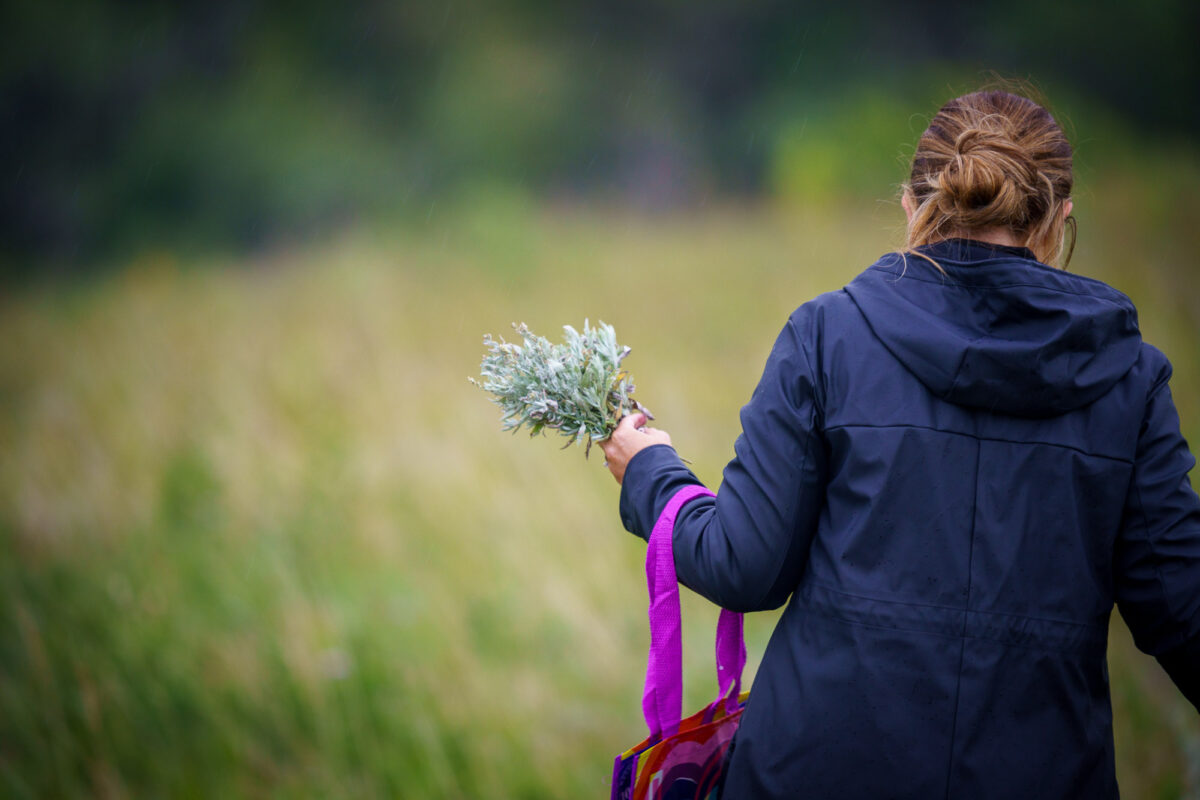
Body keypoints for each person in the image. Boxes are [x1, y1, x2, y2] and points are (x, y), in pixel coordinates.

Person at [599, 88, 1200, 799]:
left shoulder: (827, 336)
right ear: (1058, 218)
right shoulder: (1131, 378)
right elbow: (1183, 612)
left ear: (912, 205)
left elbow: (746, 566)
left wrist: (652, 473)